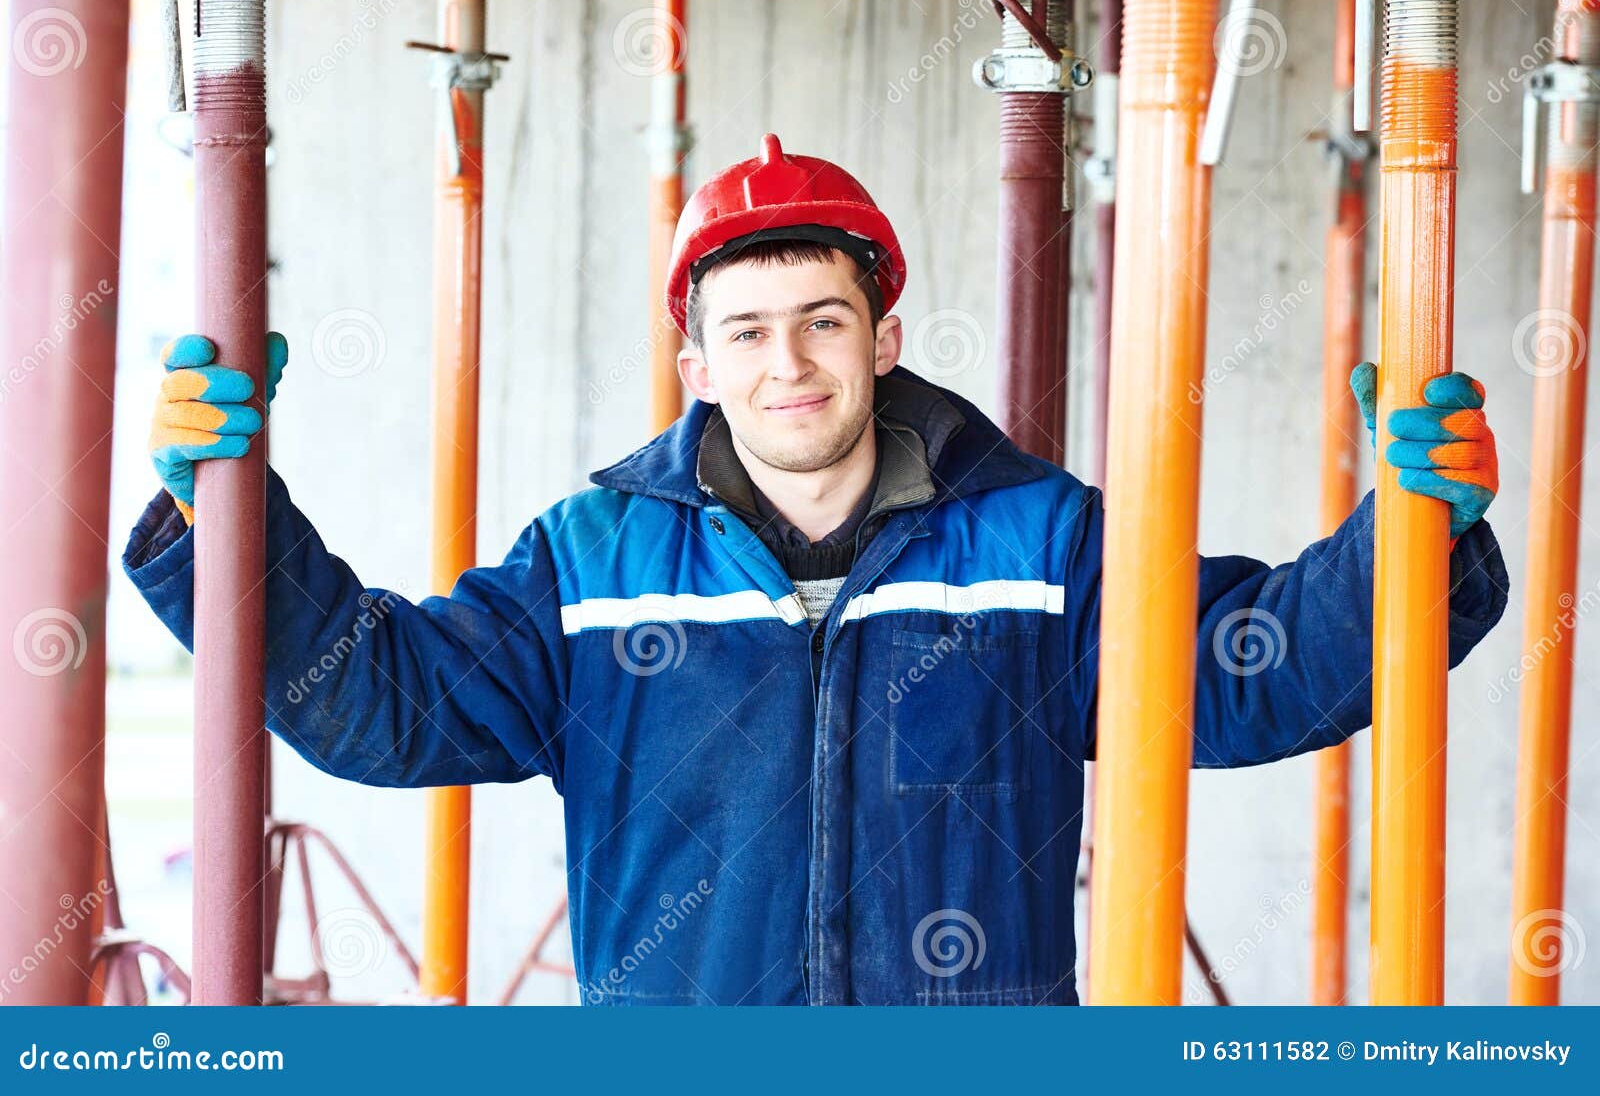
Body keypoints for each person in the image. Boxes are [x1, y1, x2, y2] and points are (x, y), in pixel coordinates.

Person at [125, 133, 1508, 1005]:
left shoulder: (1036, 545)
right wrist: (223, 522)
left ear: (882, 336)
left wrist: (1411, 529)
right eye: (747, 333)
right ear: (696, 365)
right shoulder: (595, 562)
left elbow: (1250, 672)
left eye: (821, 321)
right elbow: (380, 700)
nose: (786, 364)